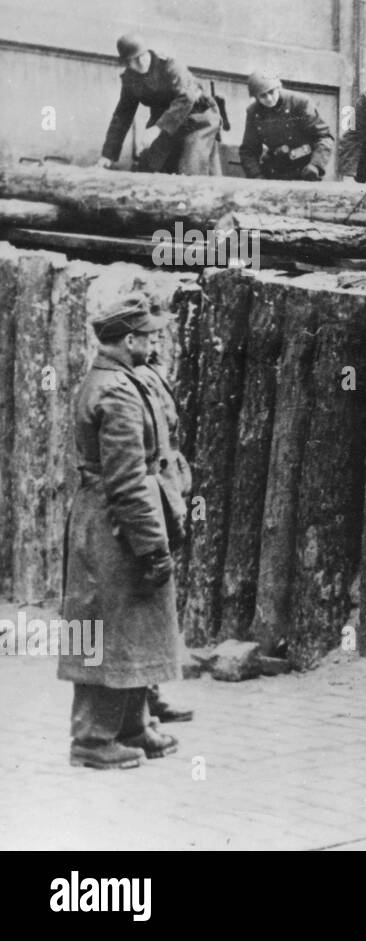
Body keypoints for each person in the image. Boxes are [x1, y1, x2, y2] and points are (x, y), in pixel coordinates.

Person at [59, 295, 188, 768]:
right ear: (128, 339)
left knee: (132, 626)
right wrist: (152, 545)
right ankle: (92, 741)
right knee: (100, 628)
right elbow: (127, 480)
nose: (156, 338)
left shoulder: (126, 378)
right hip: (115, 526)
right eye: (148, 333)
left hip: (122, 523)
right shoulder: (115, 390)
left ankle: (131, 727)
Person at [138, 343, 195, 725]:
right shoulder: (136, 378)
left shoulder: (150, 371)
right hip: (152, 493)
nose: (154, 342)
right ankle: (142, 698)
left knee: (157, 600)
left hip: (165, 488)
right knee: (145, 597)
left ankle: (150, 693)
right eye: (147, 334)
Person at [96, 33, 222, 175]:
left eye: (142, 56)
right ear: (126, 63)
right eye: (135, 60)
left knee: (190, 167)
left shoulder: (170, 66)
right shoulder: (130, 79)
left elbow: (187, 98)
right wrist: (108, 154)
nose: (141, 62)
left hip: (198, 118)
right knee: (149, 164)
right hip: (166, 120)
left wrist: (158, 128)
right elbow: (123, 115)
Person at [238, 71, 334, 181]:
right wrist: (257, 176)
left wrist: (315, 166)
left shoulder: (300, 103)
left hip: (306, 170)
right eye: (263, 95)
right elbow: (248, 150)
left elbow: (324, 137)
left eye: (271, 92)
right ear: (256, 97)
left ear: (278, 87)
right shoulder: (254, 112)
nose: (269, 98)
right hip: (276, 170)